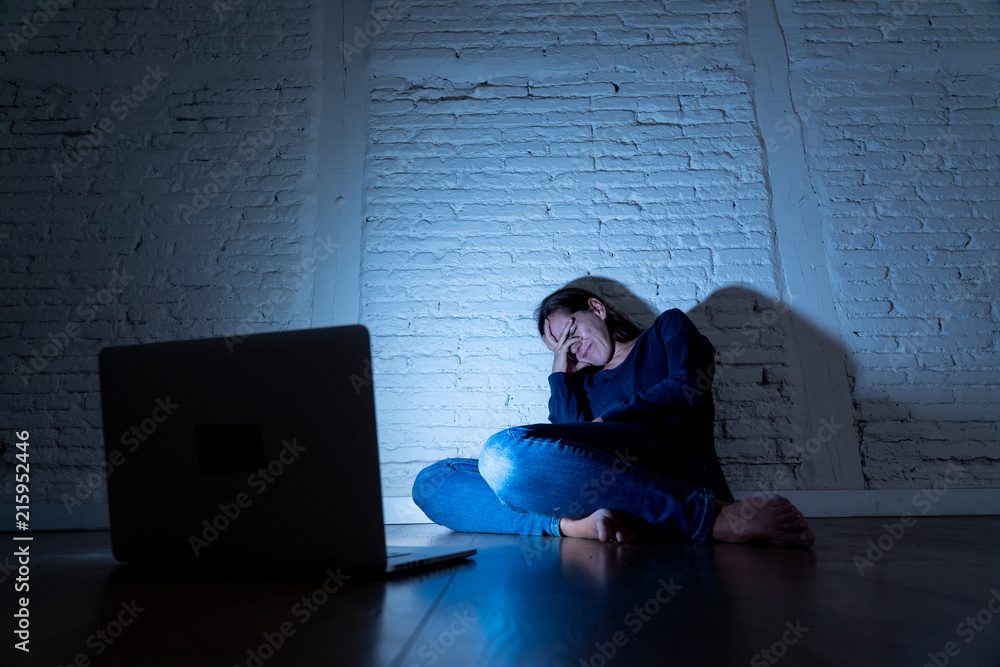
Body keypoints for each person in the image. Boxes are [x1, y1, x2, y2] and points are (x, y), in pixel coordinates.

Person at [411, 287, 815, 547]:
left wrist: (605, 424)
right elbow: (562, 438)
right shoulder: (583, 385)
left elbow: (690, 384)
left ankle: (705, 517)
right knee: (432, 482)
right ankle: (577, 526)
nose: (573, 349)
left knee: (504, 455)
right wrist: (559, 372)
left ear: (596, 308)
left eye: (572, 333)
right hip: (597, 479)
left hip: (667, 455)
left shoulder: (665, 330)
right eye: (560, 347)